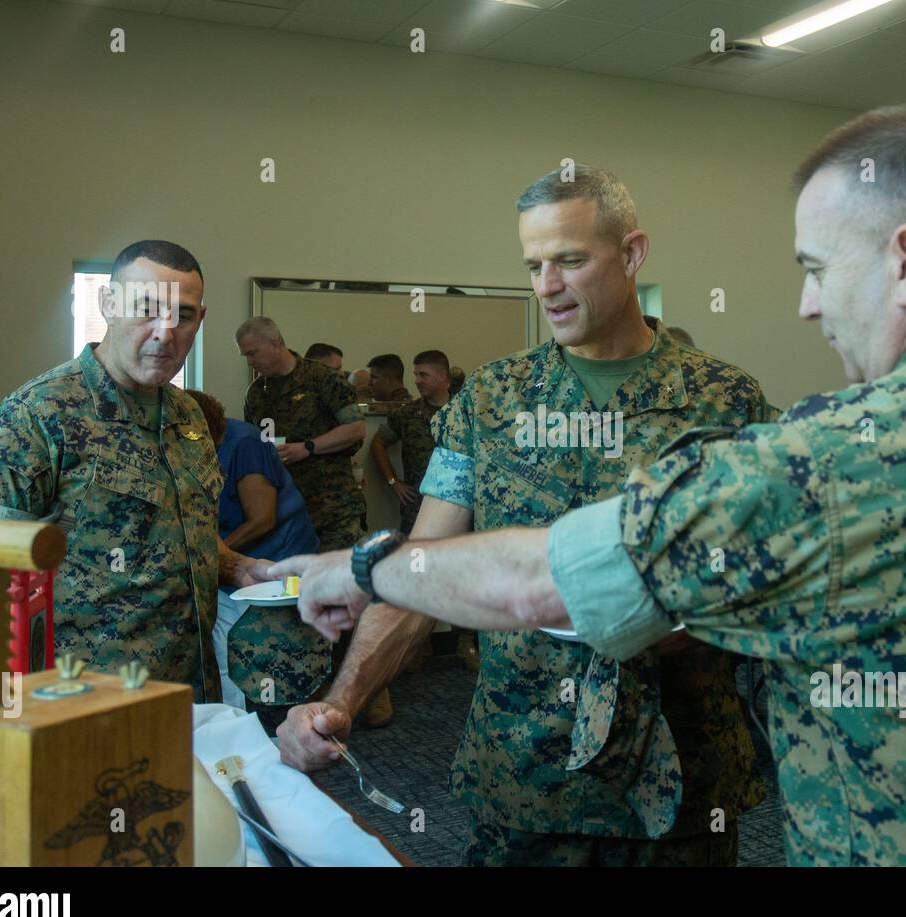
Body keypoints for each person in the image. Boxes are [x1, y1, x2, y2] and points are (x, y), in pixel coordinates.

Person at [274, 106, 906, 866]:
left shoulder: (825, 448)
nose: (807, 302)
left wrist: (362, 567)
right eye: (534, 267)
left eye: (815, 270)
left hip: (693, 779)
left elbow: (543, 579)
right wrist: (350, 693)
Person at [274, 164, 775, 866]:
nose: (546, 285)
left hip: (677, 782)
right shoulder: (493, 401)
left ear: (631, 254)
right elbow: (424, 570)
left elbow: (764, 583)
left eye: (569, 261)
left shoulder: (725, 401)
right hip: (524, 774)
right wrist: (342, 701)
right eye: (534, 265)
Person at [0, 240, 270, 701]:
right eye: (146, 309)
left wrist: (241, 568)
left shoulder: (189, 416)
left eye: (182, 316)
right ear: (107, 305)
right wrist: (14, 709)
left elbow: (184, 529)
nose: (165, 332)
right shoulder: (38, 413)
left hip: (188, 690)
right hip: (82, 699)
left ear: (200, 319)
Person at [187, 389, 328, 732]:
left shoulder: (246, 443)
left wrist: (209, 556)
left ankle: (305, 724)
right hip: (234, 562)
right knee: (223, 645)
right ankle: (236, 728)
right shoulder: (198, 449)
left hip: (276, 557)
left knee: (277, 649)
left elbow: (262, 519)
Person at [236, 316, 367, 548]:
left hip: (332, 508)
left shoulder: (321, 378)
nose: (249, 362)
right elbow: (256, 443)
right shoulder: (256, 393)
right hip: (285, 511)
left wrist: (308, 447)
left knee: (339, 581)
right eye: (245, 355)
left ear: (275, 343)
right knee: (292, 582)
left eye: (252, 353)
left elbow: (356, 428)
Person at [370, 350, 452, 534]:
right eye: (416, 374)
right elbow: (378, 444)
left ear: (442, 376)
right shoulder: (407, 414)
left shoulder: (463, 411)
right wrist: (393, 482)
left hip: (457, 505)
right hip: (417, 508)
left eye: (423, 375)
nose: (417, 381)